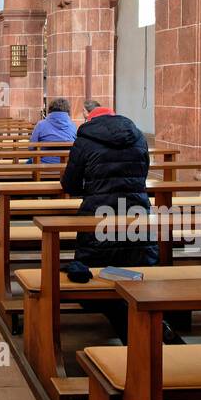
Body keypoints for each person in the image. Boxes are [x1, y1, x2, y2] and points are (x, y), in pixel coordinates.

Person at [60, 102, 154, 340]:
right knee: (132, 267)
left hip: (98, 215)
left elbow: (70, 184)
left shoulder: (85, 139)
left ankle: (125, 324)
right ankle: (140, 326)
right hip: (135, 213)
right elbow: (142, 175)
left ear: (89, 118)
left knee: (96, 273)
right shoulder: (138, 137)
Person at [30, 97, 76, 164]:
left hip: (43, 164)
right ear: (68, 111)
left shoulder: (41, 124)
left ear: (50, 109)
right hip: (67, 165)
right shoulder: (72, 126)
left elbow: (31, 147)